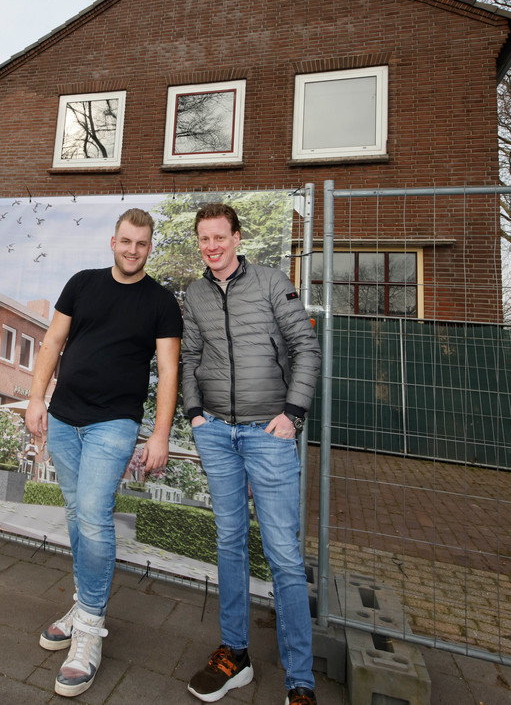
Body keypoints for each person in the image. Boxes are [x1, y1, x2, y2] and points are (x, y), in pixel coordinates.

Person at [26, 207, 183, 698]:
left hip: (113, 424)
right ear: (112, 242)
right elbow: (52, 341)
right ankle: (82, 605)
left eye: (141, 244)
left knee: (93, 515)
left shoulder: (161, 302)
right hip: (64, 418)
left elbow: (169, 372)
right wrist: (36, 398)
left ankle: (90, 630)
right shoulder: (82, 283)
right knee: (76, 513)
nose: (132, 250)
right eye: (126, 241)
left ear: (149, 248)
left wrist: (159, 435)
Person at [181, 202, 321, 705]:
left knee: (284, 556)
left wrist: (293, 414)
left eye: (220, 237)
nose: (212, 247)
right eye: (204, 239)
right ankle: (234, 655)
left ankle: (300, 681)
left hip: (270, 435)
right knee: (229, 542)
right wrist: (195, 415)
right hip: (217, 433)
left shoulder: (269, 281)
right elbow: (191, 355)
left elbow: (306, 349)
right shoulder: (194, 294)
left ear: (237, 238)